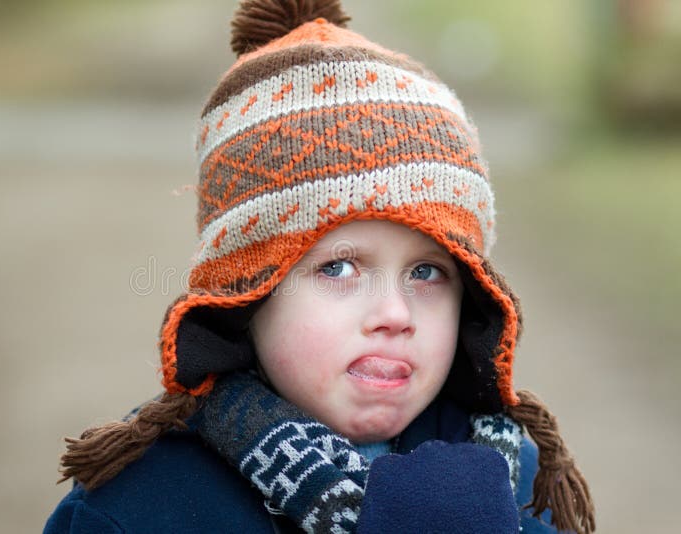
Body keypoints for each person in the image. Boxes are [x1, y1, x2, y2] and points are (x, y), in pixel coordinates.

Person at [45, 1, 595, 532]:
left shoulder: (514, 476)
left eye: (426, 272)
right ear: (247, 293)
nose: (394, 313)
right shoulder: (139, 506)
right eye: (339, 268)